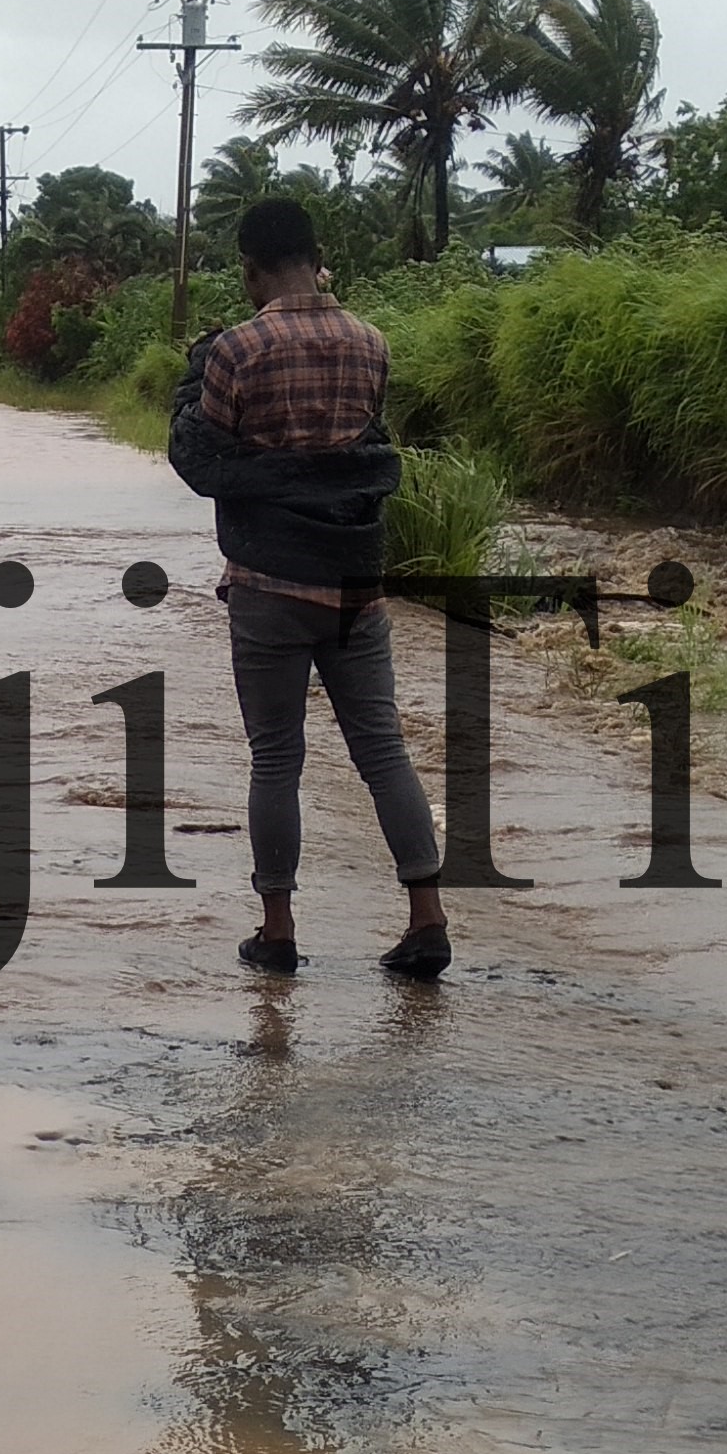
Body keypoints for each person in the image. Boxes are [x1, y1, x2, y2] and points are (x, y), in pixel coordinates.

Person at [166, 197, 448, 979]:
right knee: (383, 752)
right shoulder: (371, 342)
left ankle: (279, 931)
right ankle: (427, 917)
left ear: (251, 269)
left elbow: (201, 457)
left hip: (269, 582)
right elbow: (361, 445)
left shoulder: (236, 351)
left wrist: (192, 378)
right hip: (355, 581)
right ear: (318, 261)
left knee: (276, 759)